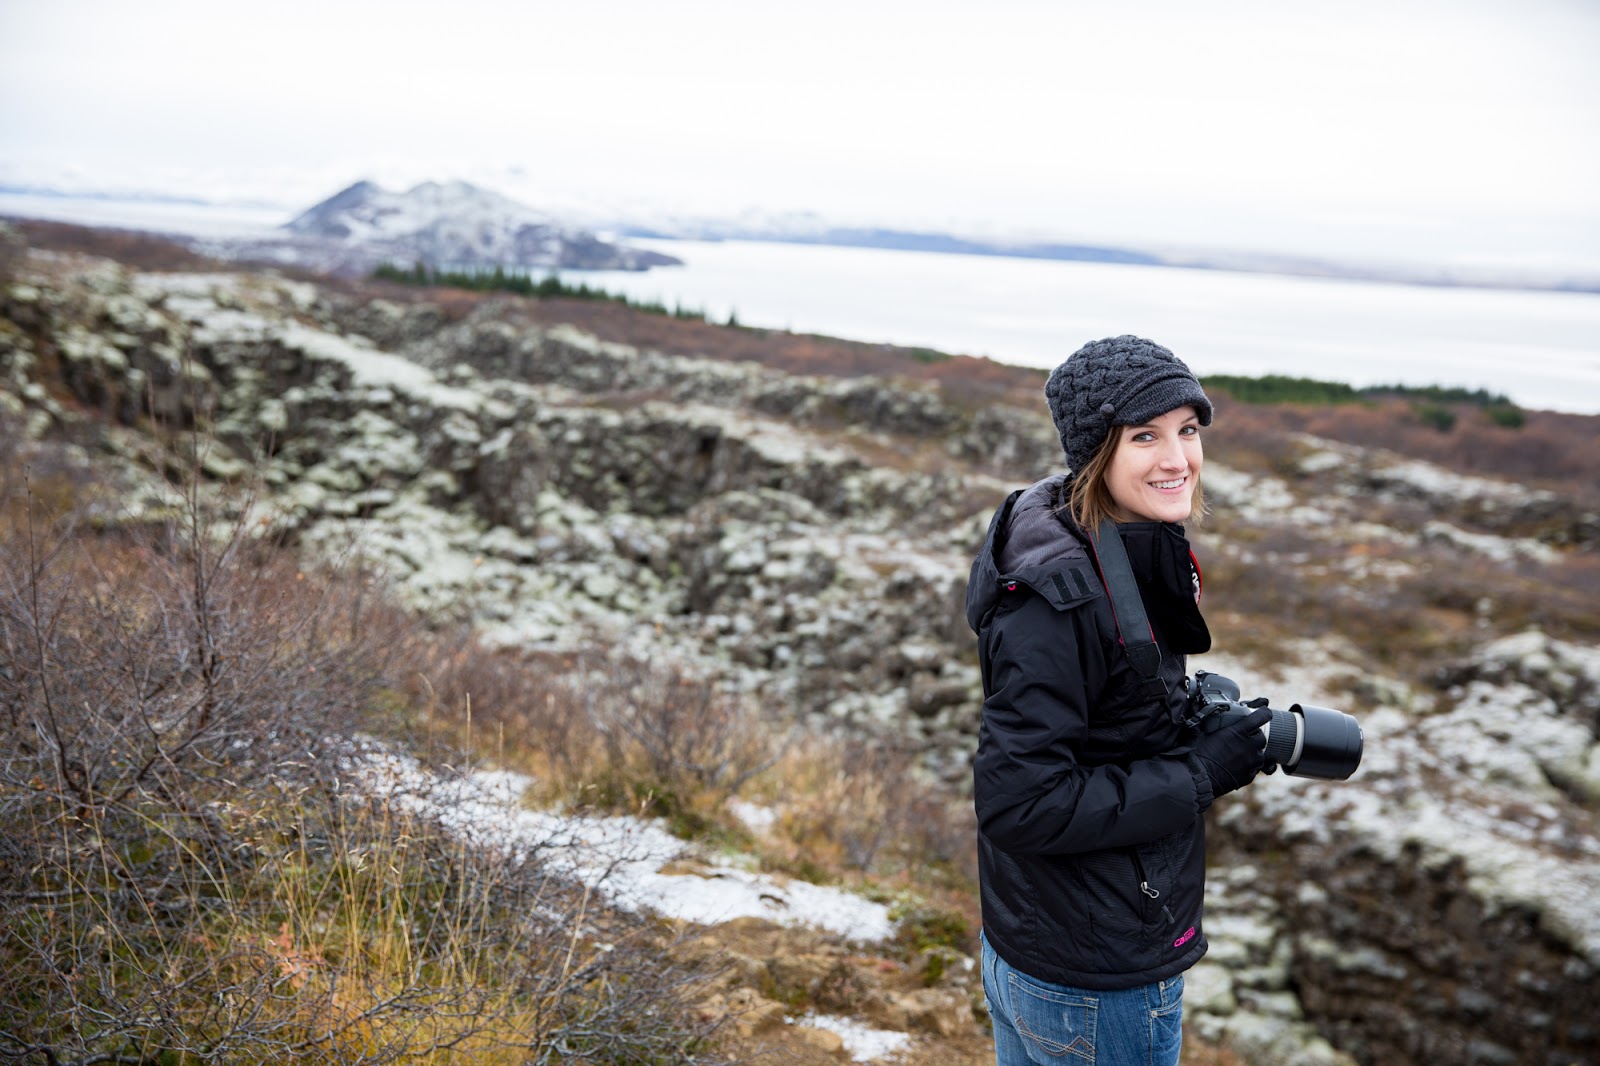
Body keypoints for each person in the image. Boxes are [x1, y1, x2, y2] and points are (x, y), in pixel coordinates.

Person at [965, 335, 1273, 1066]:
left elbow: (1086, 712)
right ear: (1095, 451)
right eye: (1145, 436)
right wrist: (1200, 774)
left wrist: (1180, 705)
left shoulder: (1100, 538)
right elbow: (1019, 802)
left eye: (1188, 430)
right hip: (1094, 977)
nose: (1178, 459)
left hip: (1053, 940)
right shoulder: (1064, 596)